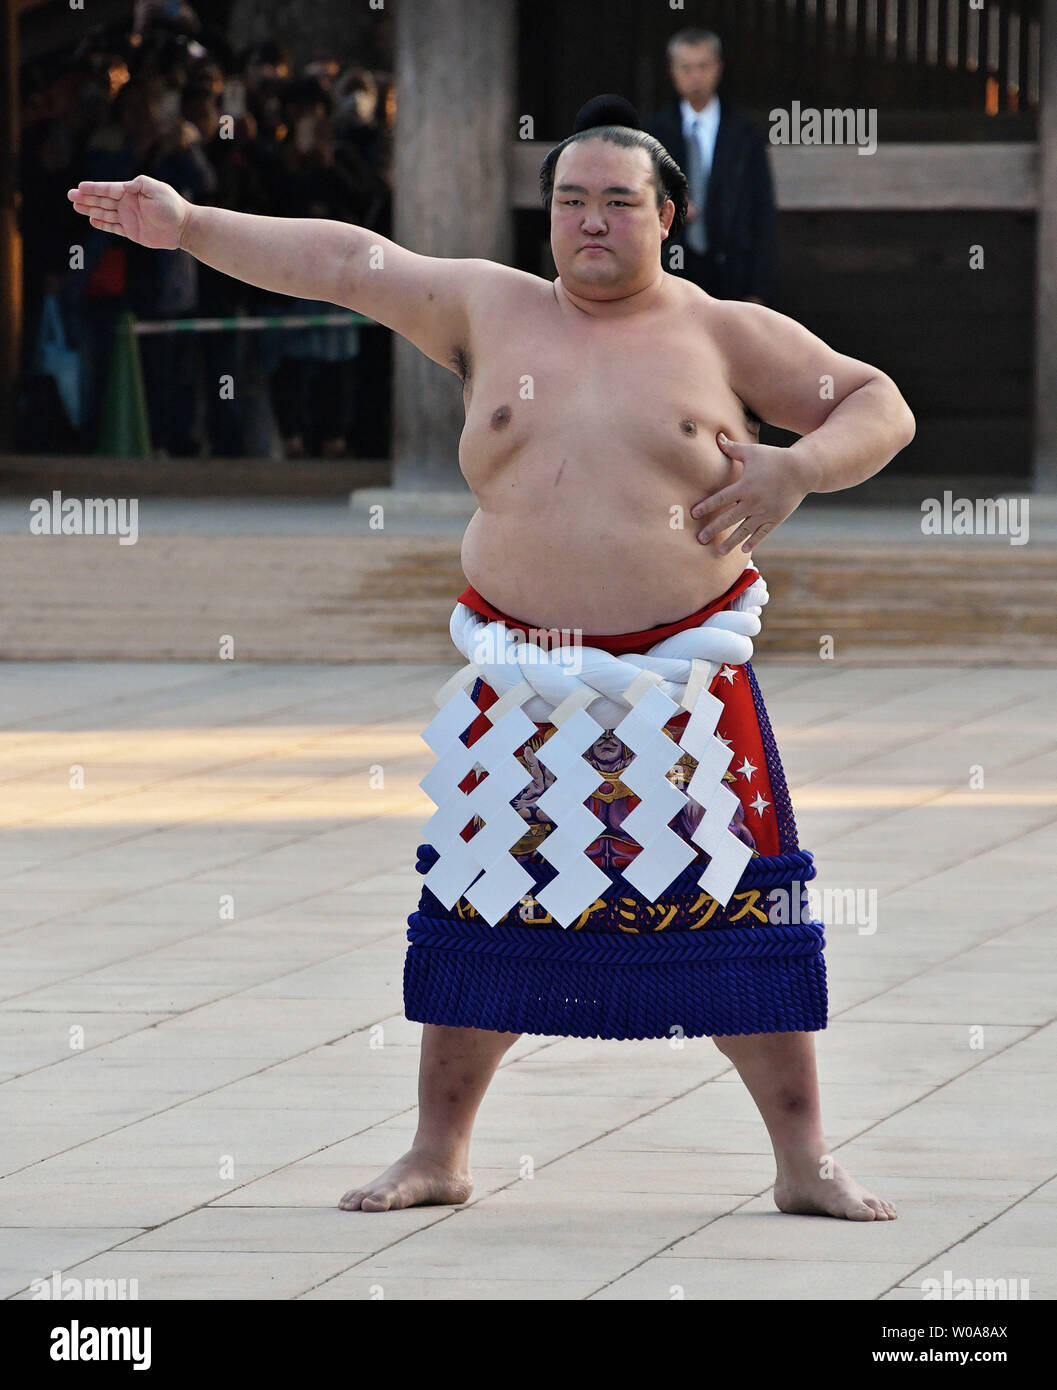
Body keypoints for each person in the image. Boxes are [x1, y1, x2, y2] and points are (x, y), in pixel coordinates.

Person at [69, 92, 914, 1222]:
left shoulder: (721, 332)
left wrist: (795, 469)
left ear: (671, 214)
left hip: (682, 687)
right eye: (571, 202)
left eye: (619, 203)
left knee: (737, 912)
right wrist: (190, 226)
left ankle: (803, 1161)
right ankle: (439, 1151)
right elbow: (349, 261)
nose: (592, 223)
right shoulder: (487, 308)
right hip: (518, 685)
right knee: (480, 907)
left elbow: (877, 402)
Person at [645, 27, 776, 304]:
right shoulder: (653, 133)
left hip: (731, 268)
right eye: (686, 67)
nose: (695, 76)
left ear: (718, 68)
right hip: (670, 265)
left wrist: (759, 288)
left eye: (704, 66)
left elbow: (762, 210)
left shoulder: (744, 135)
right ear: (672, 72)